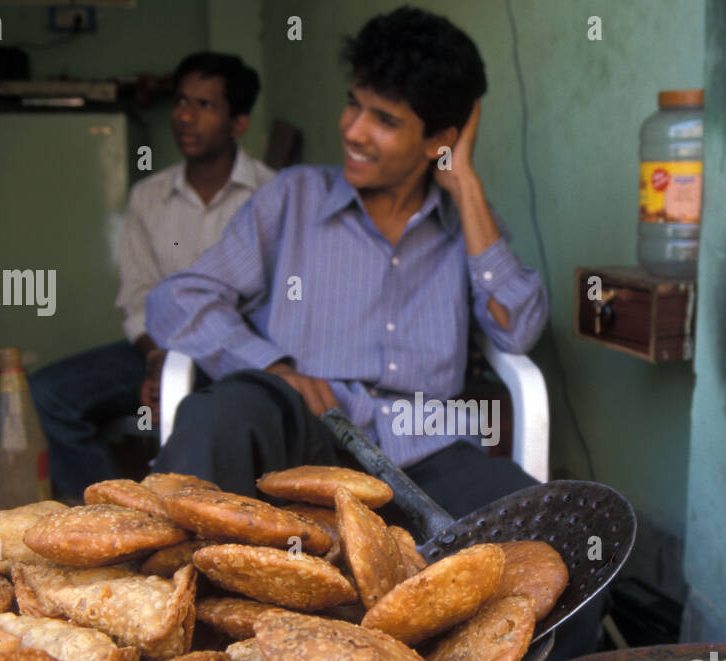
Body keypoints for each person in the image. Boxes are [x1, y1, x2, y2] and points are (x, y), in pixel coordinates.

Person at [147, 7, 547, 520]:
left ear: (439, 141)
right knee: (217, 414)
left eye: (384, 120)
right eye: (353, 104)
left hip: (424, 456)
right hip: (300, 437)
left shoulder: (465, 227)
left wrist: (465, 183)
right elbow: (175, 300)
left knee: (540, 530)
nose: (354, 131)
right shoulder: (293, 199)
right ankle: (177, 588)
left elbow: (518, 330)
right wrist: (271, 367)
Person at [30, 52, 275, 501]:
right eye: (181, 101)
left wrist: (194, 363)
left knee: (211, 409)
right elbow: (137, 294)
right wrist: (158, 358)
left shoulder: (272, 195)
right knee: (46, 394)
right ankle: (114, 514)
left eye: (204, 105)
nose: (184, 116)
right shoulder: (149, 197)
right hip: (156, 347)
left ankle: (215, 521)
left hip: (236, 354)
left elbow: (275, 304)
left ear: (239, 122)